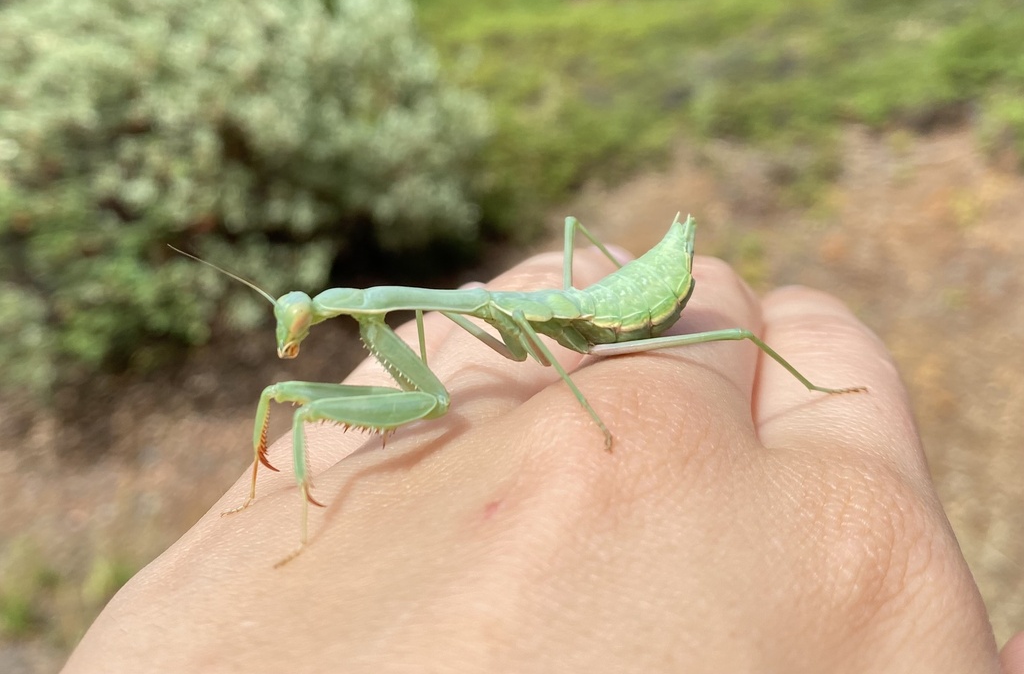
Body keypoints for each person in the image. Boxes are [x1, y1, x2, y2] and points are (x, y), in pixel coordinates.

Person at [63, 245, 1023, 673]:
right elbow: (434, 399)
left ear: (339, 310)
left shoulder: (451, 325)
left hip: (615, 314)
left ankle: (814, 388)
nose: (298, 335)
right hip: (566, 309)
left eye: (305, 318)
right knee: (288, 397)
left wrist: (594, 421)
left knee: (706, 347)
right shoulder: (439, 323)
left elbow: (453, 393)